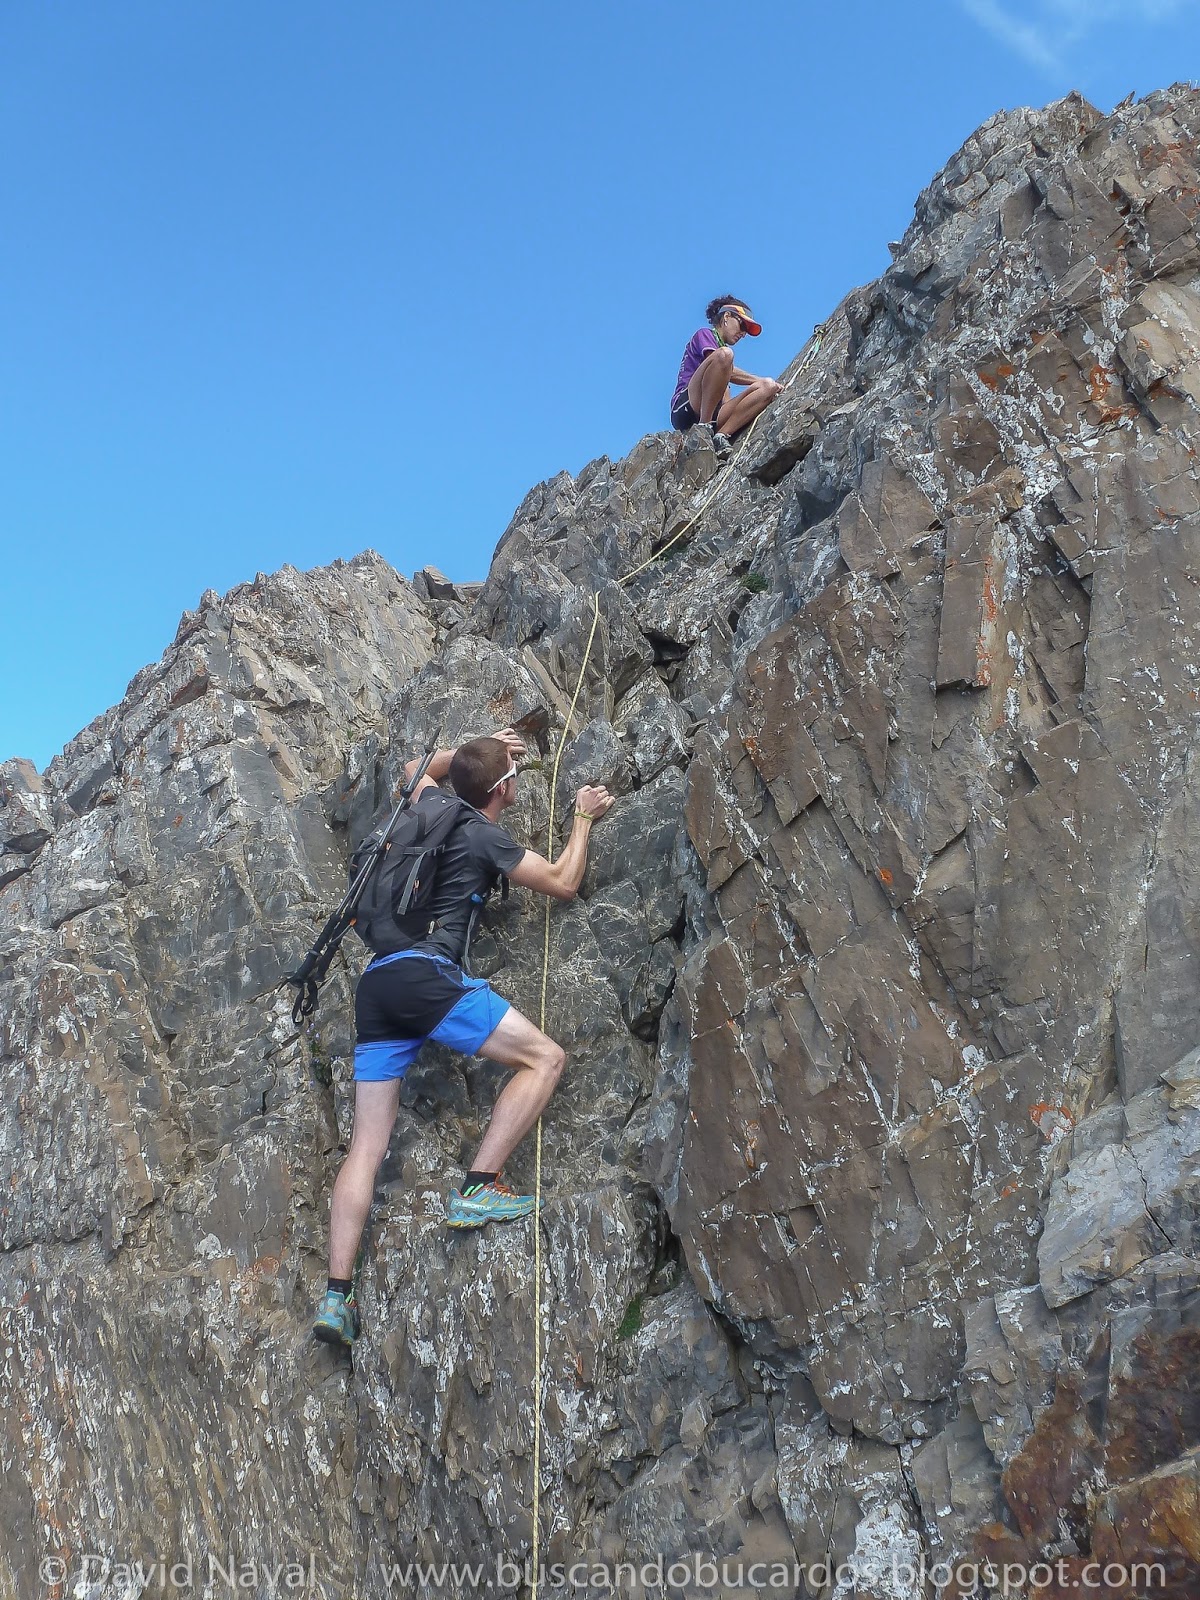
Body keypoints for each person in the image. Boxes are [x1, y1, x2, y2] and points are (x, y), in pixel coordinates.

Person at [313, 726, 615, 1347]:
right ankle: (479, 1187)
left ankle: (336, 1296)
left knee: (365, 1148)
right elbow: (563, 880)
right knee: (545, 1059)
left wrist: (475, 752)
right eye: (511, 776)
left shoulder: (431, 805)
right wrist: (583, 817)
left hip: (377, 984)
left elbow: (413, 766)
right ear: (503, 789)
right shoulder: (482, 833)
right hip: (428, 977)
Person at [670, 297, 782, 442]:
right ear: (727, 316)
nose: (743, 334)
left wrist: (765, 384)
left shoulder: (723, 359)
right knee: (725, 355)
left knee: (768, 386)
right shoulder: (705, 335)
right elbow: (728, 367)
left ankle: (721, 436)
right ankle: (703, 426)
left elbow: (725, 399)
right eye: (742, 325)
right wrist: (757, 379)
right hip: (686, 406)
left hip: (715, 412)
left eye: (746, 331)